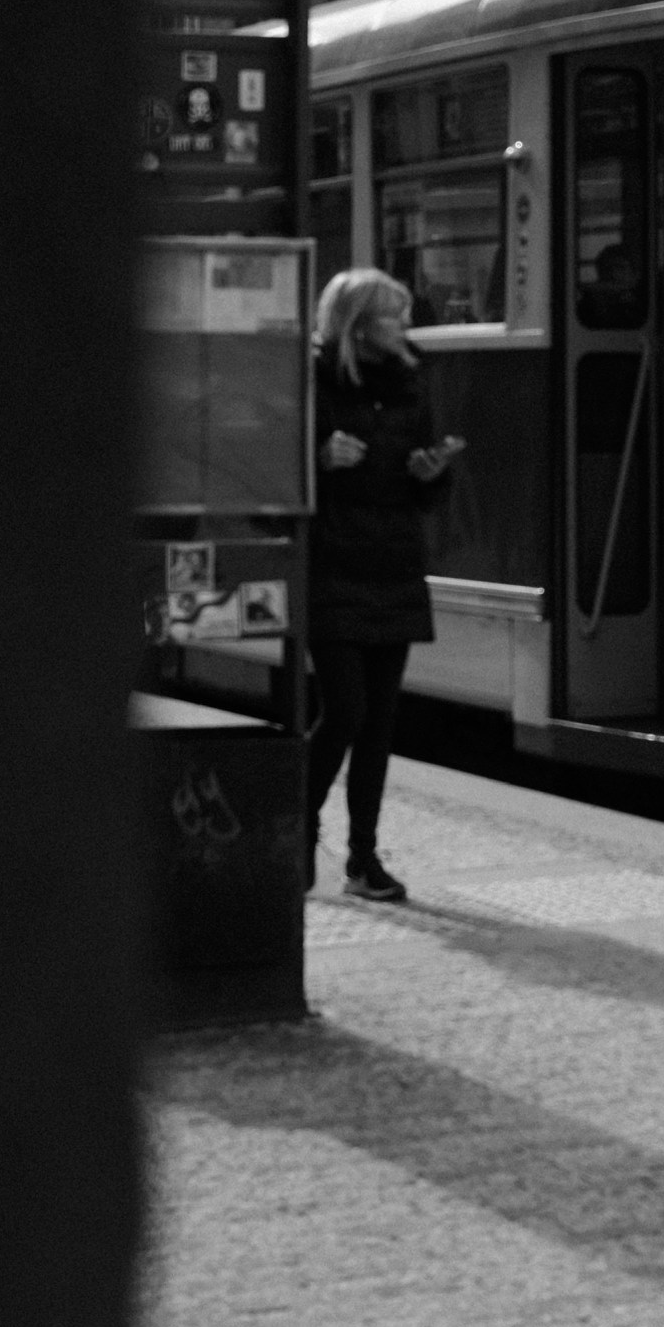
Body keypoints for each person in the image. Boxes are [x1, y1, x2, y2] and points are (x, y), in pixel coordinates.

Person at [305, 267, 462, 903]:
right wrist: (319, 460)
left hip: (393, 561)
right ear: (359, 324)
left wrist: (430, 471)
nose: (404, 325)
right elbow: (278, 467)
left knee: (380, 721)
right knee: (345, 708)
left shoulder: (410, 382)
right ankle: (299, 824)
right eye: (394, 315)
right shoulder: (316, 377)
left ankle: (362, 857)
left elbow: (429, 492)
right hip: (332, 560)